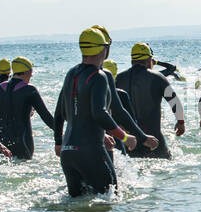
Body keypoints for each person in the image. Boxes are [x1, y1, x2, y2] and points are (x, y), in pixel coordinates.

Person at [53, 28, 140, 197]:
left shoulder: (71, 74)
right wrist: (125, 137)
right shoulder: (99, 76)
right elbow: (99, 113)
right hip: (91, 152)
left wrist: (58, 142)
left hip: (68, 153)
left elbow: (59, 114)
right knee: (110, 200)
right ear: (103, 49)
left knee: (75, 209)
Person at [116, 43, 185, 158]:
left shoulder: (119, 78)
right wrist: (181, 122)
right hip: (154, 141)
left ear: (132, 60)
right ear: (149, 59)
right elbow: (175, 102)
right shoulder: (157, 77)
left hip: (130, 142)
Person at [0, 56, 57, 160]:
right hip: (23, 144)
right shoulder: (29, 90)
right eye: (31, 71)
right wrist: (61, 134)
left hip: (3, 145)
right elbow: (46, 116)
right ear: (26, 72)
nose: (32, 75)